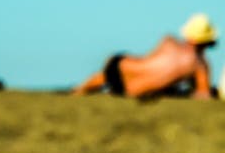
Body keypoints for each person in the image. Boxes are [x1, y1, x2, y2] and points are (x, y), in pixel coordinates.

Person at [75, 13, 218, 99]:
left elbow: (151, 61)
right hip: (132, 91)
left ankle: (77, 93)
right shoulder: (200, 65)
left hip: (120, 63)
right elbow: (203, 95)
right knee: (128, 84)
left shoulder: (169, 42)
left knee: (106, 77)